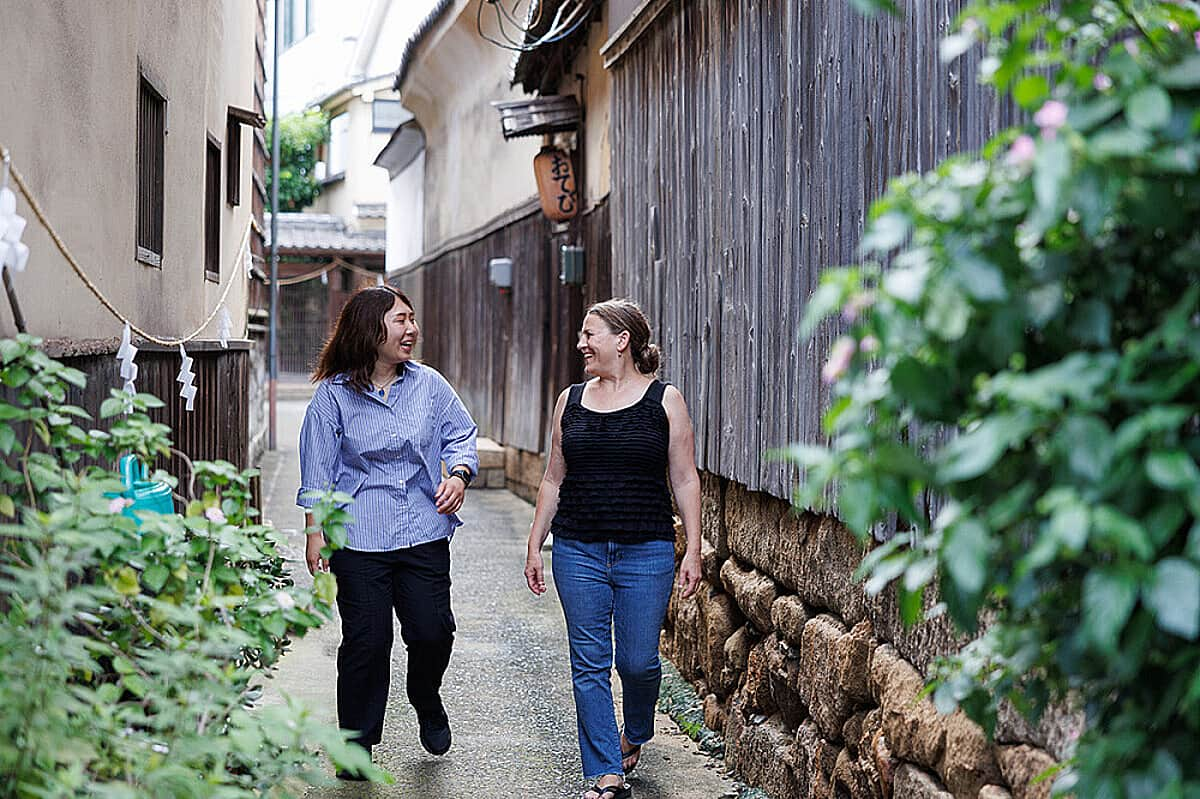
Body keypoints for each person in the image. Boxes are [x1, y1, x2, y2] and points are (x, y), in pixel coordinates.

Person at [298, 285, 478, 779]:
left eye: (412, 320)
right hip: (358, 538)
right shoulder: (332, 397)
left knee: (431, 632)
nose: (411, 330)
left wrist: (459, 475)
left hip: (423, 529)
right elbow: (317, 469)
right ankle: (356, 747)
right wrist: (315, 532)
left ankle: (425, 696)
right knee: (365, 642)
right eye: (400, 321)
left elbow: (462, 435)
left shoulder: (430, 385)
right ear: (369, 329)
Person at [525, 298, 702, 799]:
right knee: (589, 662)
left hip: (645, 550)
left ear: (622, 340)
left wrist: (692, 548)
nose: (582, 343)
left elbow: (685, 478)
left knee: (640, 663)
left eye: (590, 334)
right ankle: (605, 773)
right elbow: (553, 479)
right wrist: (537, 542)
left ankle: (637, 731)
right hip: (577, 548)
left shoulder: (665, 400)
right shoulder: (571, 400)